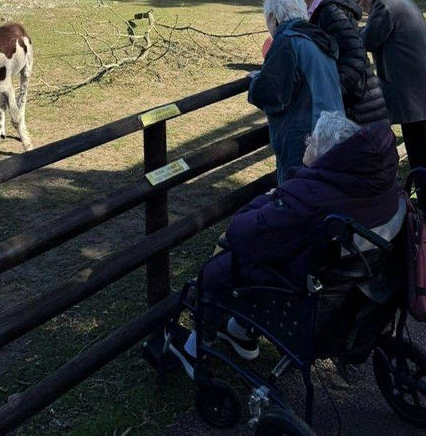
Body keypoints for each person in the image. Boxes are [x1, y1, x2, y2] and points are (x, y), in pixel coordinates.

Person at [170, 112, 402, 374]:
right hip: (353, 281)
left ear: (328, 153)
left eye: (311, 140)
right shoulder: (373, 182)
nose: (306, 142)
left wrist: (269, 198)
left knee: (216, 270)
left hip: (300, 286)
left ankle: (196, 347)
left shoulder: (311, 197)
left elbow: (244, 232)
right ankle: (239, 332)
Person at [345, 0, 426, 226]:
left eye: (359, 3)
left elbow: (367, 40)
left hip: (415, 96)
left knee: (422, 153)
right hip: (423, 92)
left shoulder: (384, 6)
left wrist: (348, 28)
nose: (361, 9)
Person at [248, 0, 344, 183]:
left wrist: (255, 81)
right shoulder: (316, 37)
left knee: (297, 191)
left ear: (274, 18)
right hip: (330, 127)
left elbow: (270, 93)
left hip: (305, 136)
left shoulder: (288, 41)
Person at [283, 0, 388, 125]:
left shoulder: (329, 12)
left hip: (361, 110)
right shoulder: (318, 12)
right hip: (358, 108)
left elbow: (355, 55)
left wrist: (332, 90)